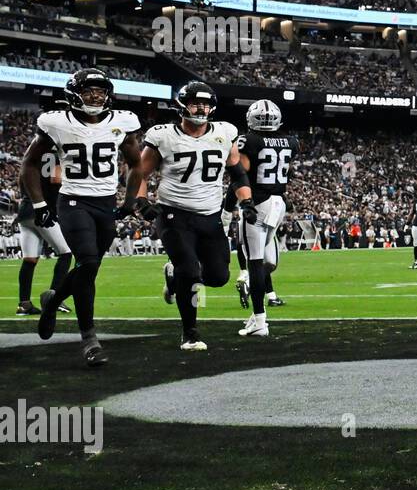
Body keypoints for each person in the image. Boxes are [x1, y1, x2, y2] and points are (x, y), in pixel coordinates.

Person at [24, 69, 142, 366]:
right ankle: (89, 339)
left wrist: (130, 201)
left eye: (100, 91)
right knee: (87, 262)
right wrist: (39, 205)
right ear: (74, 94)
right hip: (74, 201)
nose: (95, 96)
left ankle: (53, 300)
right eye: (89, 90)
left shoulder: (122, 122)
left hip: (105, 203)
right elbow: (29, 164)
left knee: (90, 267)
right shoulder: (56, 122)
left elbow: (136, 164)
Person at [124, 82, 254, 350]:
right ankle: (190, 332)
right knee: (190, 271)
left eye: (205, 103)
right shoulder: (163, 136)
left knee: (218, 277)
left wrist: (247, 201)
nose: (201, 108)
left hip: (210, 215)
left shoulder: (225, 132)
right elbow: (140, 173)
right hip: (174, 213)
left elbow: (237, 172)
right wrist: (141, 200)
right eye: (195, 102)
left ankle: (173, 275)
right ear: (182, 105)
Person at [234, 99, 297, 337]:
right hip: (278, 203)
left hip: (257, 203)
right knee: (267, 261)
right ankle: (257, 289)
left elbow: (241, 175)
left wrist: (236, 204)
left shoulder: (249, 140)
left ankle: (260, 320)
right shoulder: (291, 142)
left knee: (254, 261)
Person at [14, 141, 72, 316]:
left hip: (25, 211)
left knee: (30, 259)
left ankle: (24, 304)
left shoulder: (31, 156)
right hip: (42, 210)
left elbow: (21, 179)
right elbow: (56, 178)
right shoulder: (57, 155)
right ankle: (54, 298)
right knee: (66, 253)